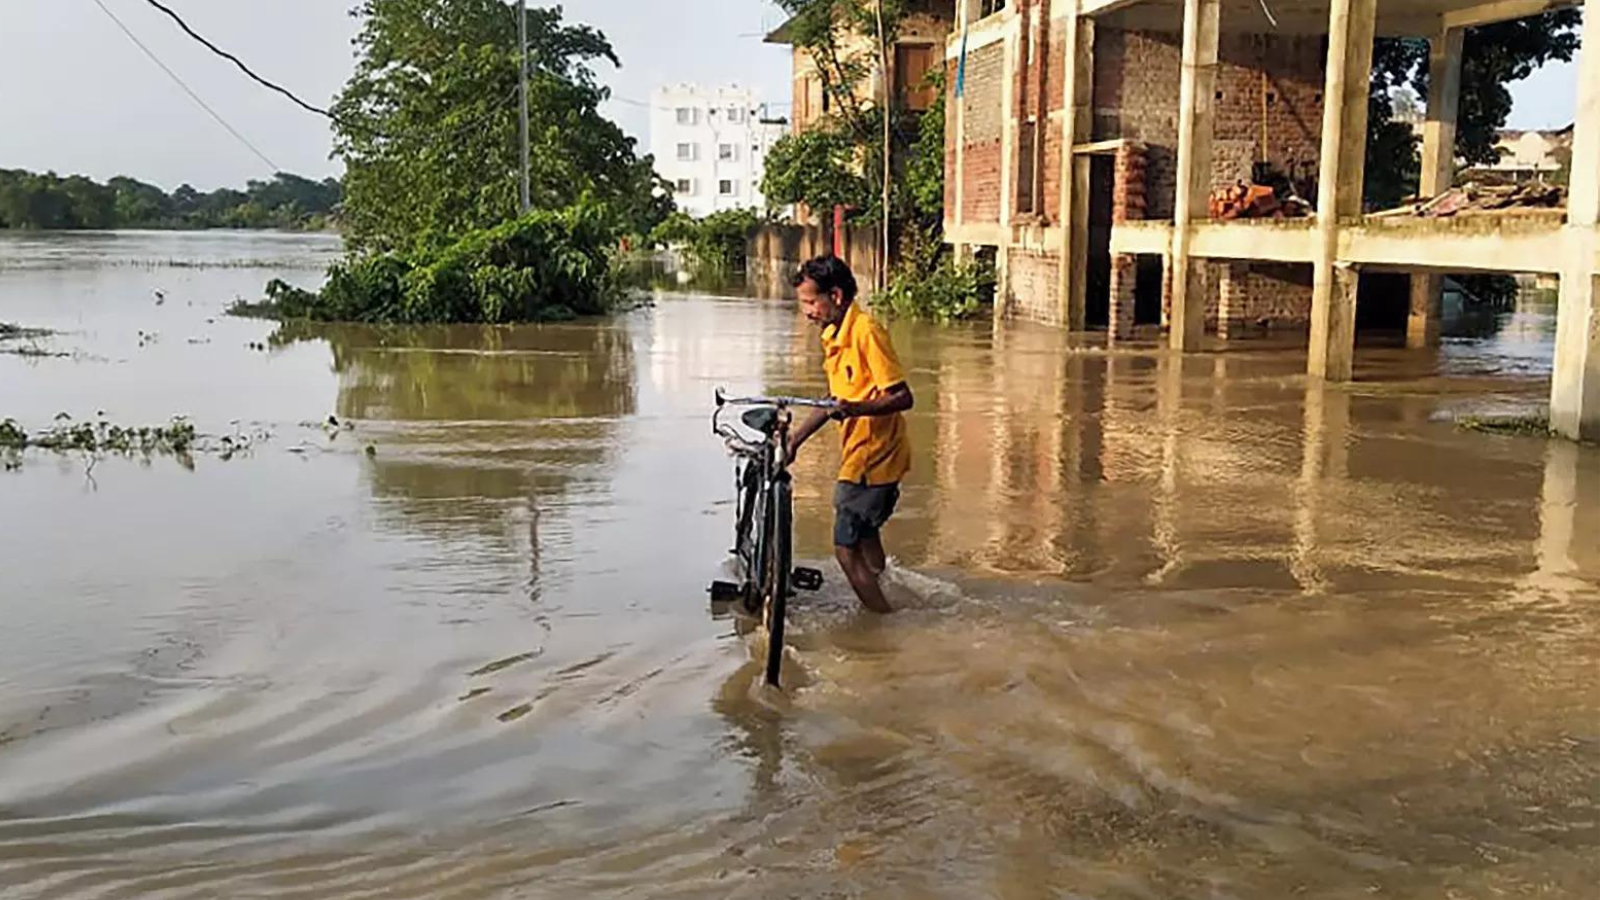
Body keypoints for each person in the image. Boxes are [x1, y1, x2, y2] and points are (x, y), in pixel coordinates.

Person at [787, 256, 914, 614]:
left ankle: (883, 623)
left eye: (812, 302)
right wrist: (796, 439)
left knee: (844, 548)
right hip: (859, 452)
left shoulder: (866, 332)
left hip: (874, 457)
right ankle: (884, 587)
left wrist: (855, 409)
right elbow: (833, 399)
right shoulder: (833, 335)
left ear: (837, 296)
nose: (807, 312)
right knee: (865, 533)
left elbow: (903, 396)